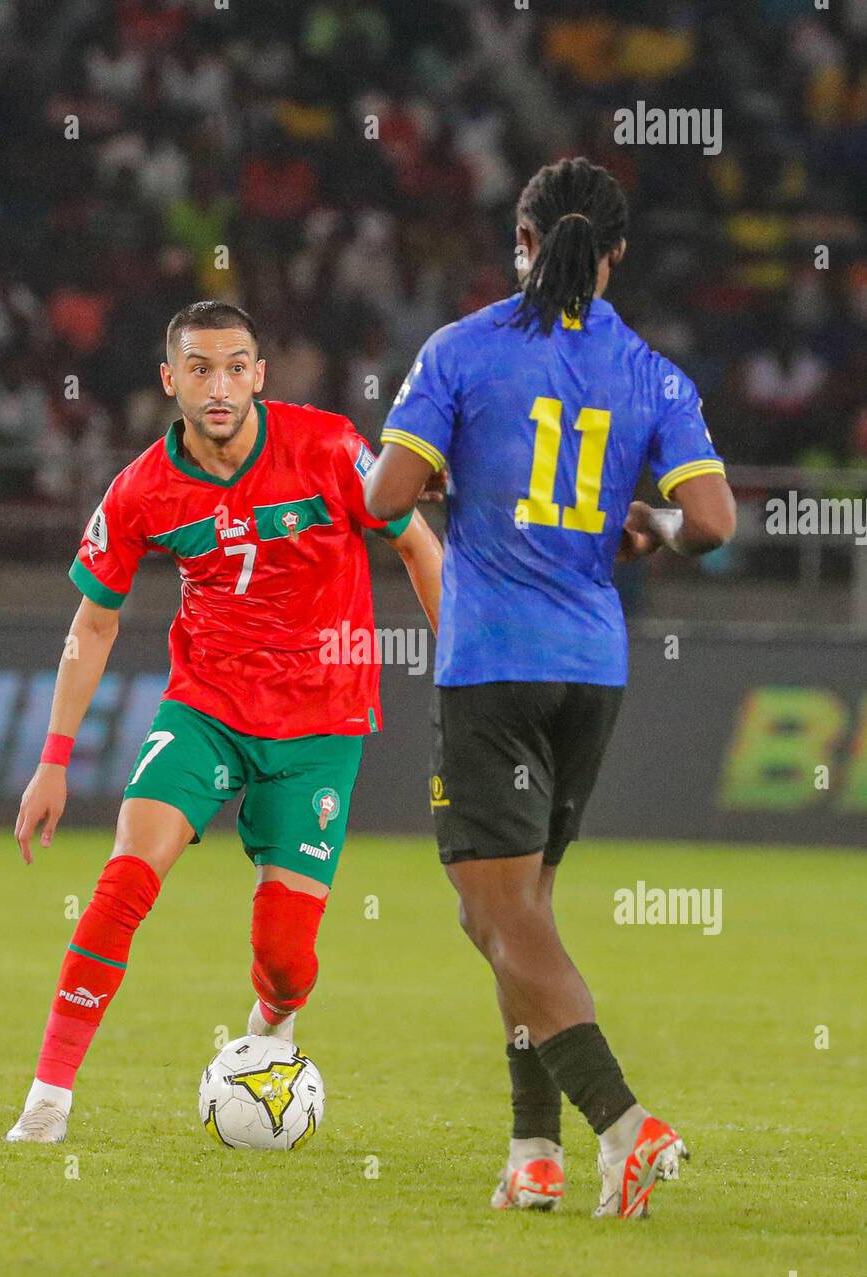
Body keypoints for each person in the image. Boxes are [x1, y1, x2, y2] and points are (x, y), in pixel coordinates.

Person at [364, 157, 736, 1218]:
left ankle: (622, 1124)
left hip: (491, 663)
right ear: (612, 256)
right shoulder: (652, 372)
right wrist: (642, 527)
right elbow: (710, 522)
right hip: (592, 667)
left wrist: (436, 470)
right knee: (517, 912)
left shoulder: (463, 349)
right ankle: (532, 1151)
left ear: (520, 241)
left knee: (499, 915)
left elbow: (381, 497)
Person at [7, 299, 442, 1143]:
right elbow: (93, 622)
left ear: (260, 376)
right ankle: (48, 1100)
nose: (220, 385)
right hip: (207, 707)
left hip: (321, 723)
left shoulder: (326, 447)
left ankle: (272, 1025)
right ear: (170, 380)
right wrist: (53, 760)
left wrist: (466, 674)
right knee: (125, 881)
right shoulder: (141, 489)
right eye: (200, 368)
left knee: (286, 955)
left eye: (236, 366)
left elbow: (418, 547)